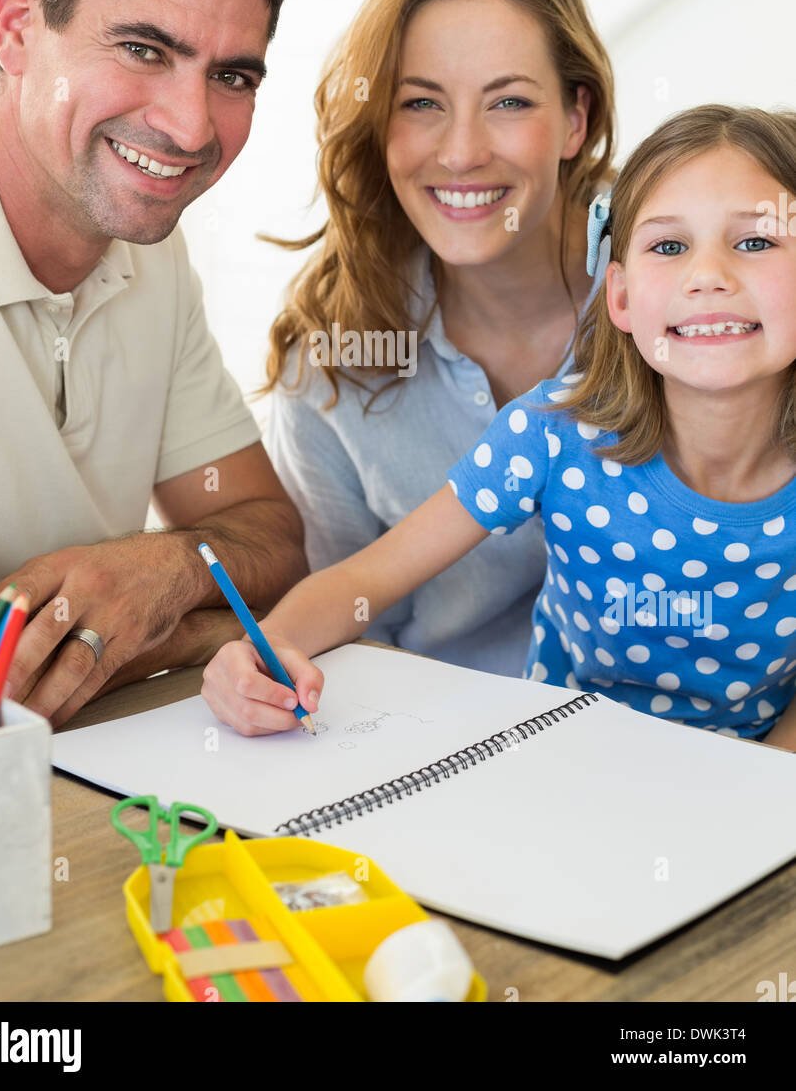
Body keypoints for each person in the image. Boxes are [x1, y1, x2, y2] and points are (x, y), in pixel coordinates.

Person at [203, 103, 796, 751]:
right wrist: (268, 648)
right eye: (669, 246)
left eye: (756, 241)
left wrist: (759, 799)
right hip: (552, 771)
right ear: (620, 296)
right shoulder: (551, 434)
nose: (708, 276)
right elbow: (364, 580)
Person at [0, 0, 307, 726]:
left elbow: (269, 534)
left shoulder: (147, 245)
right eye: (141, 48)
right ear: (17, 26)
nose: (188, 126)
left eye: (232, 77)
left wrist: (166, 569)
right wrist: (168, 626)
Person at [260, 0, 616, 674]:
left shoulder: (690, 295)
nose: (460, 152)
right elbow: (348, 631)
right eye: (421, 103)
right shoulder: (332, 367)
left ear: (576, 118)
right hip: (448, 743)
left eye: (509, 102)